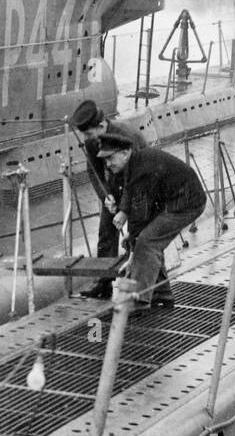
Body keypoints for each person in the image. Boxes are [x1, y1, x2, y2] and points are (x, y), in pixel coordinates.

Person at [95, 130, 206, 308]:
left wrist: (133, 245)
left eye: (110, 158)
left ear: (125, 153)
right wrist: (126, 219)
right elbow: (130, 192)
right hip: (171, 200)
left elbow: (140, 217)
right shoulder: (133, 163)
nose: (107, 164)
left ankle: (139, 300)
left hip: (186, 202)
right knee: (148, 240)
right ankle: (161, 293)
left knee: (147, 242)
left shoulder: (142, 170)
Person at [71, 99, 145, 298]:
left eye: (89, 134)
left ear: (102, 125)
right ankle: (104, 284)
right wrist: (106, 196)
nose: (87, 139)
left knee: (139, 236)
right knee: (106, 234)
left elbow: (137, 175)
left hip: (141, 185)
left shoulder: (126, 136)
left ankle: (145, 289)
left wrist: (125, 210)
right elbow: (93, 171)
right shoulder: (92, 141)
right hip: (115, 185)